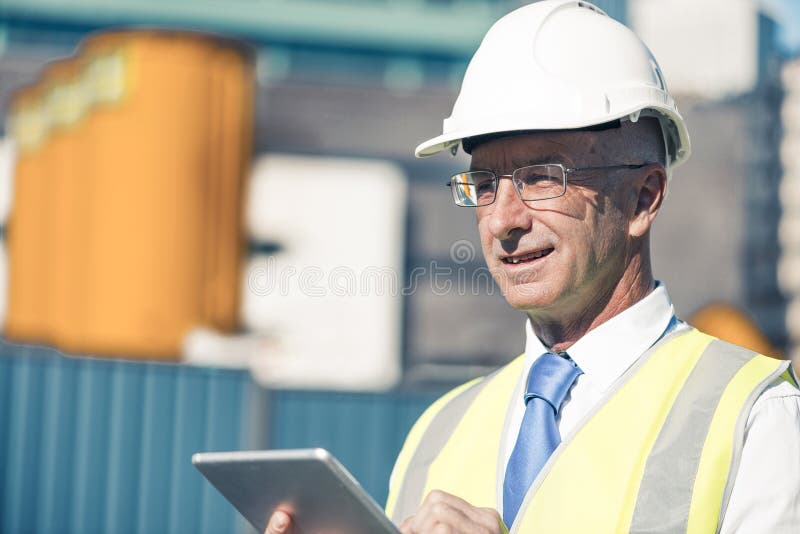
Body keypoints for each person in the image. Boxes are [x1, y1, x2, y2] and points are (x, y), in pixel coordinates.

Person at [266, 1, 800, 532]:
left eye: (542, 177)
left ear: (643, 198)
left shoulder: (757, 419)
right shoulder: (437, 435)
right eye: (485, 184)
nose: (502, 220)